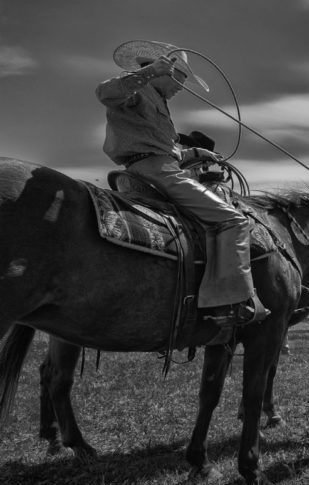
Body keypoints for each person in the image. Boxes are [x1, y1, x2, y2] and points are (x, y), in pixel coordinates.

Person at [95, 40, 268, 326]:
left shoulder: (157, 102)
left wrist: (198, 153)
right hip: (158, 172)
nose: (180, 87)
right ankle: (226, 302)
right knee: (234, 220)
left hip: (157, 166)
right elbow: (104, 92)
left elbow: (163, 148)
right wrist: (148, 73)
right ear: (161, 70)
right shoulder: (137, 88)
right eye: (179, 79)